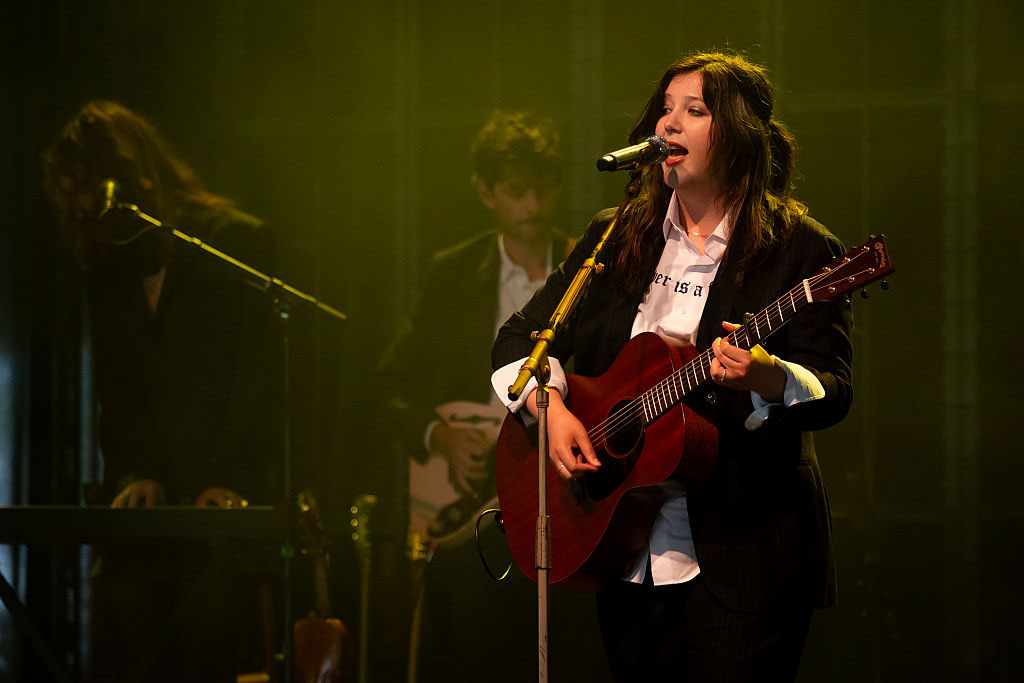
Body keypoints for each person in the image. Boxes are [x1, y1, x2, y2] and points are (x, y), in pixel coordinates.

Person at [491, 52, 854, 682]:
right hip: (622, 549)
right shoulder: (616, 238)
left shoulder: (800, 248)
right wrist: (551, 414)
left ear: (738, 133)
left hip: (746, 556)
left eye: (695, 110)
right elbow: (520, 340)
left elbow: (835, 389)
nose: (670, 123)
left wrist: (768, 377)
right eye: (665, 109)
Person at [42, 100, 282, 682]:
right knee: (129, 620)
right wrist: (136, 471)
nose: (81, 207)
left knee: (210, 633)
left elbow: (259, 377)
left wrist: (228, 475)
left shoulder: (231, 242)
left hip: (225, 501)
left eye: (88, 189)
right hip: (150, 510)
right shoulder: (107, 267)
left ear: (127, 178)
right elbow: (117, 389)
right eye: (71, 195)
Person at [378, 110, 599, 681]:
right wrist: (441, 437)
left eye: (543, 186)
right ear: (485, 192)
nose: (532, 202)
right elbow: (390, 383)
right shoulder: (453, 274)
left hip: (560, 494)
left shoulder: (585, 269)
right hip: (473, 509)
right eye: (516, 189)